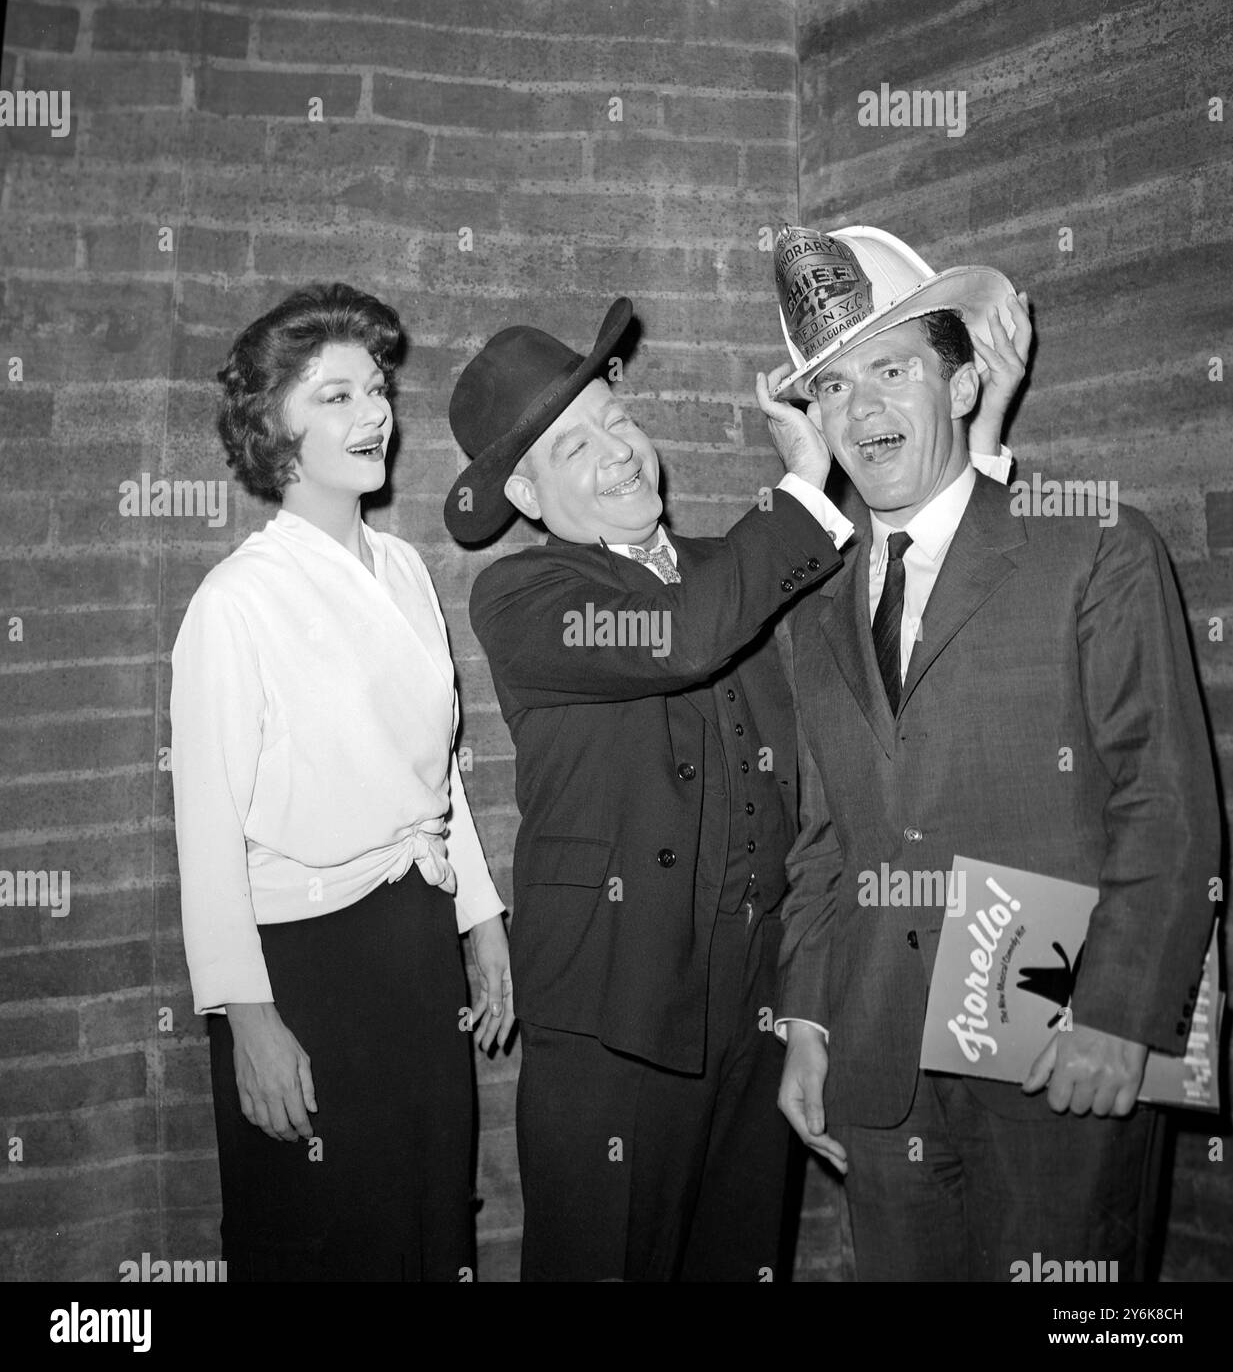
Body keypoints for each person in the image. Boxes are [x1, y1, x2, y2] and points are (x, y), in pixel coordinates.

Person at [442, 288, 1022, 1281]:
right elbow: (679, 637)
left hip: (753, 1030)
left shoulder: (734, 569)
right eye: (574, 448)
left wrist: (985, 431)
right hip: (613, 1035)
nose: (617, 449)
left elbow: (914, 591)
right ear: (529, 500)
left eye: (614, 418)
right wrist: (805, 484)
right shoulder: (525, 595)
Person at [770, 225, 1219, 1280]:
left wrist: (1119, 1015)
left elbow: (1167, 802)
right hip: (877, 1062)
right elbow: (824, 837)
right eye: (831, 389)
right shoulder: (816, 610)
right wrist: (802, 1020)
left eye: (892, 371)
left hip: (1062, 1052)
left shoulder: (1096, 544)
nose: (862, 411)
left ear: (964, 385)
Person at [170, 283, 513, 1282]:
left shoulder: (404, 569)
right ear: (271, 429)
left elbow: (436, 769)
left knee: (423, 1212)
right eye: (333, 396)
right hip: (305, 969)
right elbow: (207, 829)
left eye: (374, 389)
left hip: (415, 947)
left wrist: (480, 918)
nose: (371, 414)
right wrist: (249, 1017)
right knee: (323, 1233)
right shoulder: (236, 603)